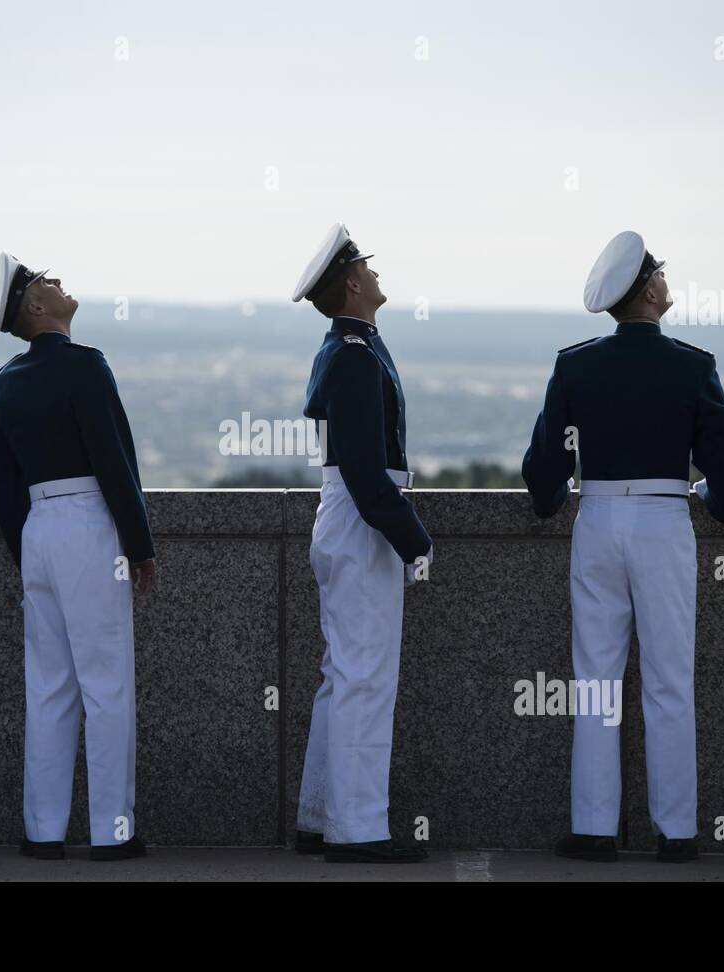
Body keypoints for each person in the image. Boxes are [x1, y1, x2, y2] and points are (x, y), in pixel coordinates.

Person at [522, 231, 724, 863]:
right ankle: (675, 833)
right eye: (663, 276)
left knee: (595, 679)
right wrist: (717, 504)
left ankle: (594, 829)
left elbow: (546, 464)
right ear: (649, 292)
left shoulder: (576, 364)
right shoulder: (692, 365)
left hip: (594, 518)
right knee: (669, 681)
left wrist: (551, 500)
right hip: (663, 520)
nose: (667, 283)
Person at [0, 252, 156, 862]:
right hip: (88, 523)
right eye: (47, 282)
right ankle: (113, 831)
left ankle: (43, 831)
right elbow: (115, 459)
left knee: (50, 686)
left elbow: (3, 488)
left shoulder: (4, 381)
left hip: (38, 530)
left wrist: (26, 554)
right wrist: (138, 544)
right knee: (106, 683)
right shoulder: (86, 366)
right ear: (35, 307)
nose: (60, 284)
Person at [291, 224, 433, 864]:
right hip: (363, 520)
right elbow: (363, 470)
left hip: (353, 518)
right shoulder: (352, 353)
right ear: (352, 283)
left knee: (343, 675)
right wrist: (412, 538)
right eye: (367, 267)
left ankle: (322, 815)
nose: (377, 274)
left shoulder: (352, 346)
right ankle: (358, 830)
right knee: (365, 678)